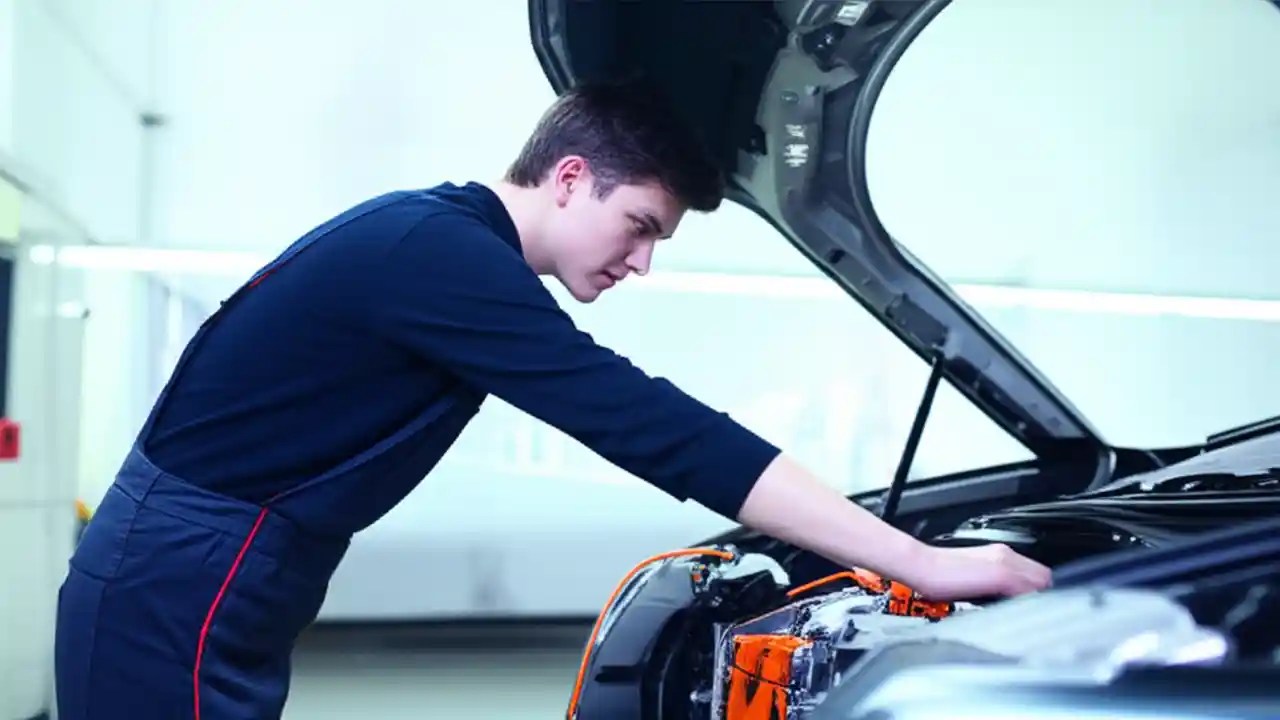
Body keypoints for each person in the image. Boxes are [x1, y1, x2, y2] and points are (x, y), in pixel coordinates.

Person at [53, 81, 1050, 720]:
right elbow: (653, 426)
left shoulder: (437, 242)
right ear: (568, 179)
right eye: (638, 224)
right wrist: (919, 561)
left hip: (201, 565)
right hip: (178, 574)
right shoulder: (440, 256)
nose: (641, 262)